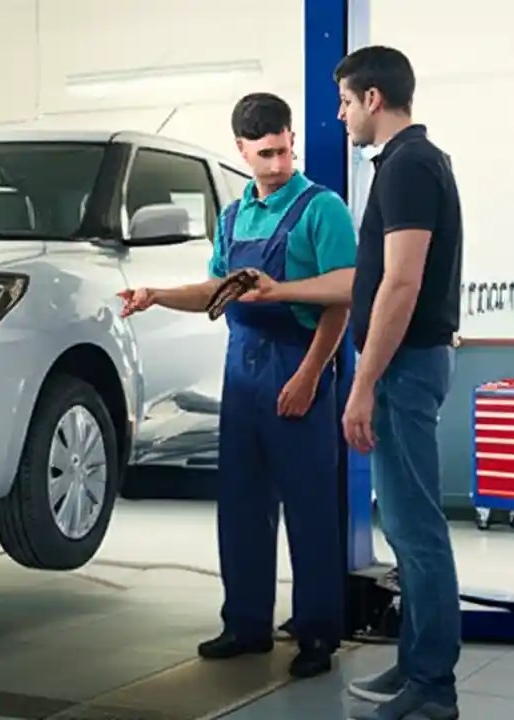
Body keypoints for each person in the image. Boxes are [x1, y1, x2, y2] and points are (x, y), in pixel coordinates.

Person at [117, 92, 357, 679]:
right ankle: (245, 624)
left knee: (310, 508)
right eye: (264, 154)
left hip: (299, 364)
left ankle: (318, 631)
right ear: (242, 150)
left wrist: (310, 375)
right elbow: (217, 290)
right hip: (243, 371)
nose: (277, 164)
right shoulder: (231, 218)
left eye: (284, 150)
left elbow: (344, 295)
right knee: (242, 504)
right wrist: (156, 295)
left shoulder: (322, 209)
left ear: (293, 140)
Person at [332, 46, 464, 720]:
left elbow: (402, 282)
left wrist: (363, 383)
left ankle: (432, 686)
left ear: (373, 99)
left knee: (416, 531)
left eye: (346, 102)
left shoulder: (409, 165)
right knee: (408, 529)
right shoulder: (411, 161)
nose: (342, 115)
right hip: (409, 362)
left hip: (404, 366)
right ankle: (415, 665)